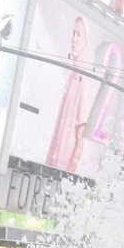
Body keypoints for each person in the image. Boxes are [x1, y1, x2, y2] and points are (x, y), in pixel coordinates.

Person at [47, 16, 90, 172]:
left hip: (62, 166)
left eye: (79, 34)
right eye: (73, 33)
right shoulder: (72, 76)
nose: (74, 39)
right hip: (52, 161)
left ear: (86, 41)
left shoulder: (83, 80)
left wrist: (69, 172)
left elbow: (81, 138)